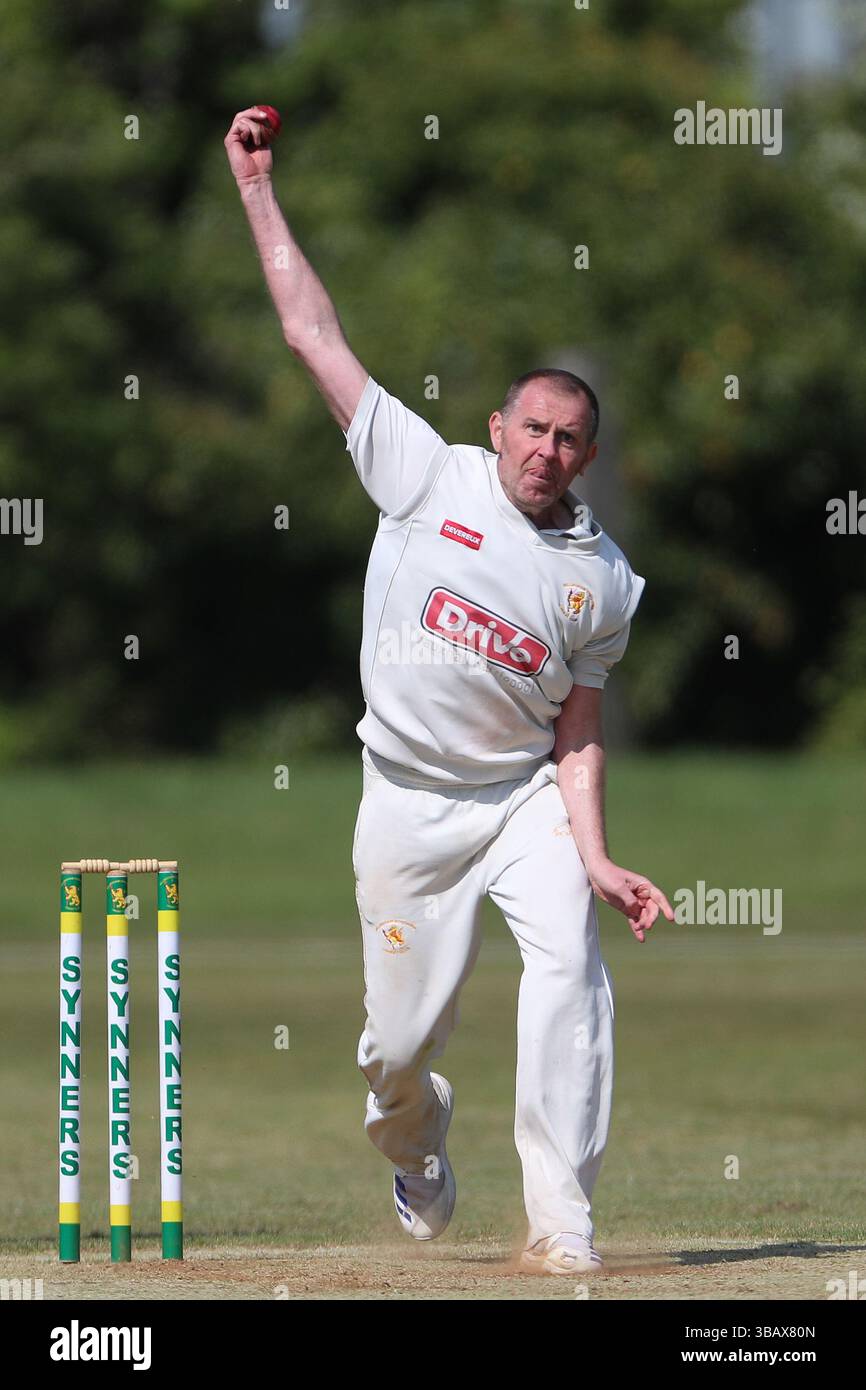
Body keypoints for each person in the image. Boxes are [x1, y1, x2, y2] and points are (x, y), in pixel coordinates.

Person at [226, 106, 674, 1275]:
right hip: (407, 804)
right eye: (531, 427)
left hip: (519, 799)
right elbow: (312, 334)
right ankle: (415, 1144)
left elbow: (576, 731)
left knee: (571, 965)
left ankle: (560, 1219)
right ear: (497, 429)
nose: (546, 449)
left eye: (569, 438)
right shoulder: (427, 474)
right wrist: (258, 190)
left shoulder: (605, 582)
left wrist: (593, 854)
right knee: (394, 1046)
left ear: (585, 455)